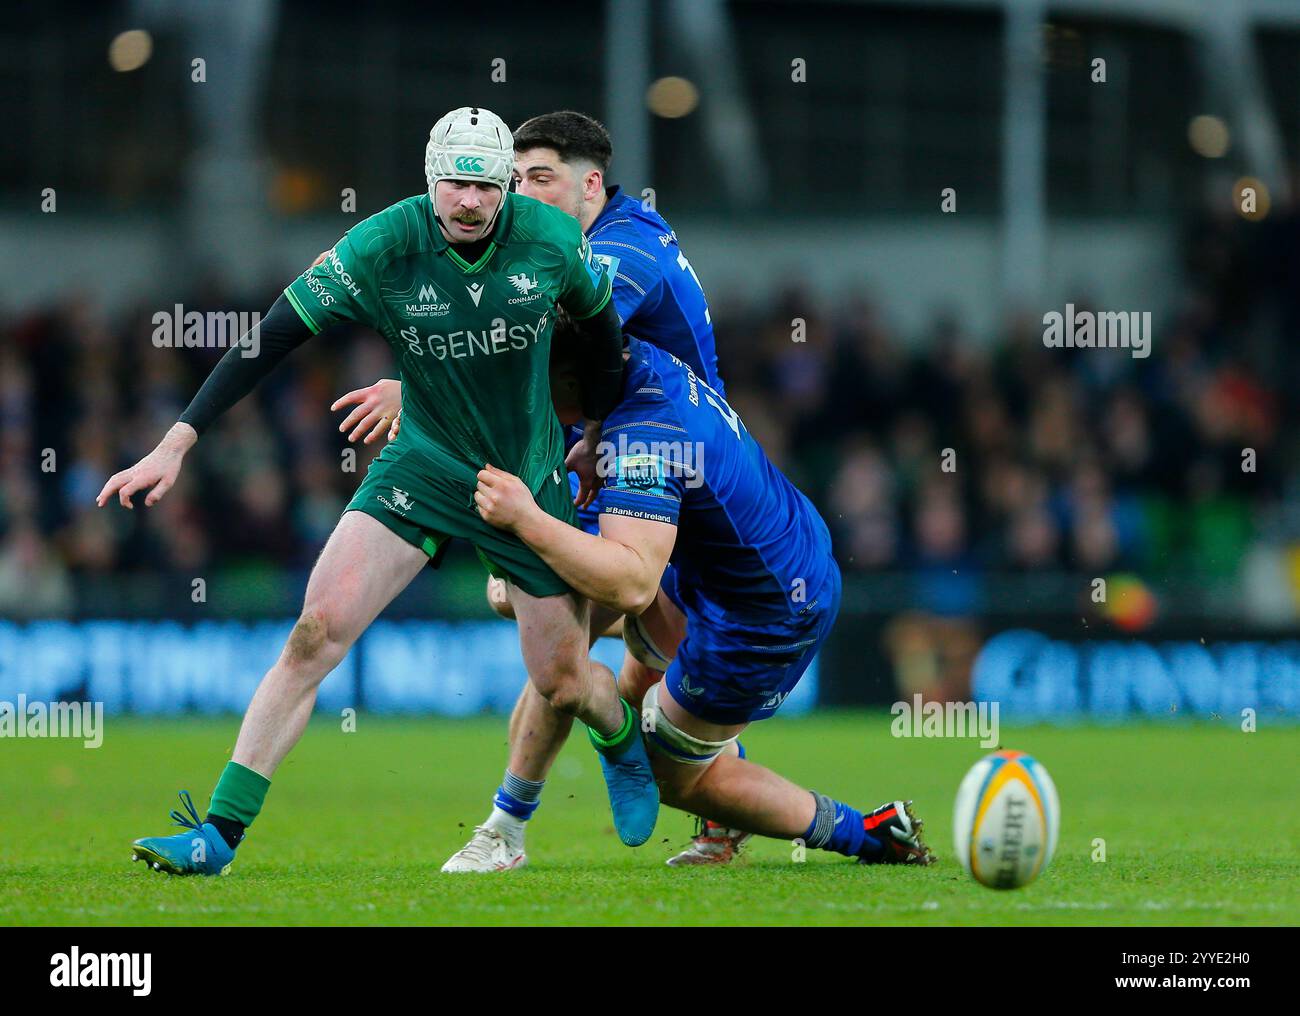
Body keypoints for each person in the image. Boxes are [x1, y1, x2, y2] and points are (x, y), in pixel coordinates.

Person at [97, 106, 659, 876]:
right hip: (421, 463)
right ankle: (218, 836)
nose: (469, 202)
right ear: (430, 181)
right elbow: (274, 333)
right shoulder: (384, 244)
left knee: (562, 684)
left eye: (485, 187)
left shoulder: (554, 242)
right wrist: (179, 439)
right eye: (455, 184)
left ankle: (617, 729)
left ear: (506, 188)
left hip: (522, 480)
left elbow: (603, 343)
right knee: (313, 634)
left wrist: (592, 434)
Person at [335, 111, 746, 871]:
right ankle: (525, 822)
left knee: (577, 633)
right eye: (514, 178)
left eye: (538, 178)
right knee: (581, 642)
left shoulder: (623, 250)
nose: (517, 193)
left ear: (591, 183)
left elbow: (542, 333)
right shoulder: (593, 235)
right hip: (618, 446)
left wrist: (416, 378)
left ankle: (508, 829)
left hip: (674, 463)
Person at [471, 324, 936, 867]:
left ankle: (872, 835)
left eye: (539, 383)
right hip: (744, 560)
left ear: (574, 380)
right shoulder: (637, 363)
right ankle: (509, 821)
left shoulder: (643, 436)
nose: (531, 396)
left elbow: (632, 582)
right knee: (620, 675)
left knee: (670, 774)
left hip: (764, 613)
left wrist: (527, 524)